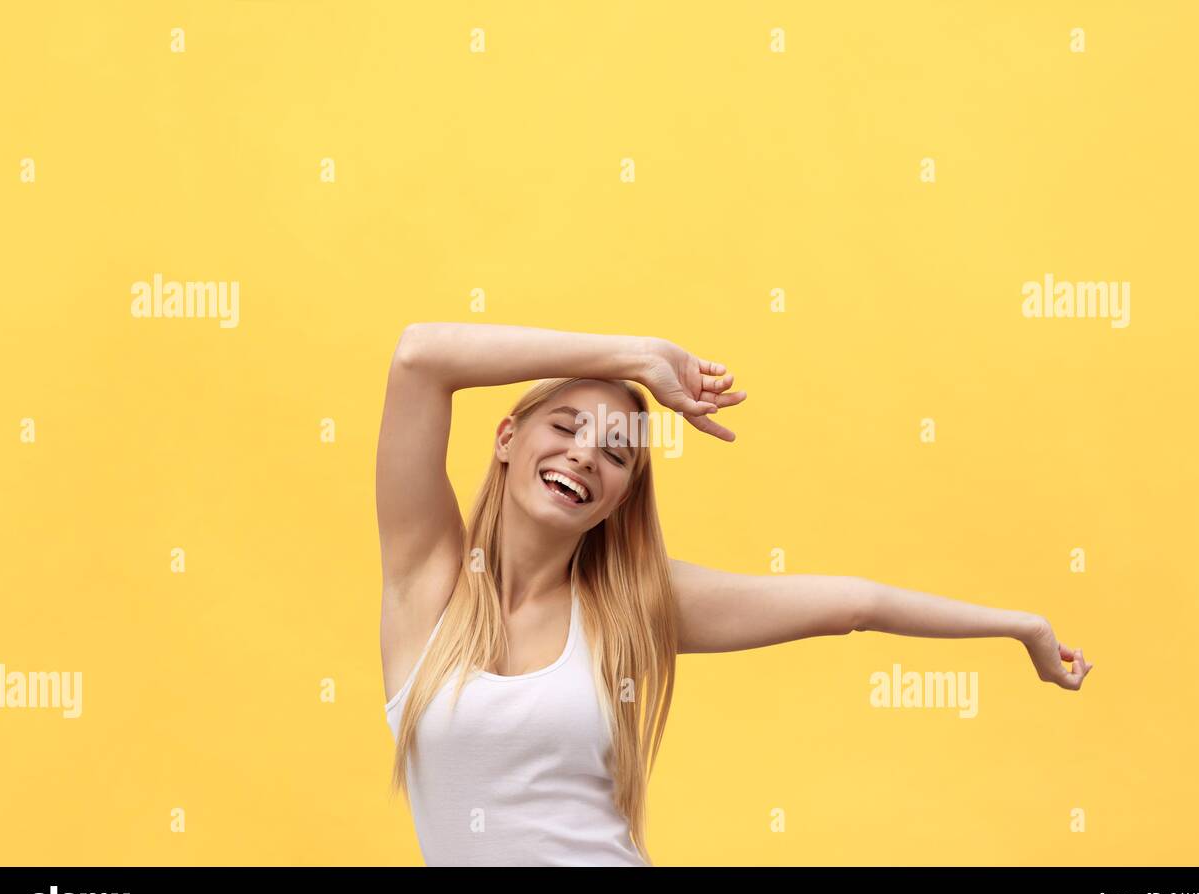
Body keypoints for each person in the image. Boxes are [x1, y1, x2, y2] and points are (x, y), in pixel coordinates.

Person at [376, 323, 1094, 866]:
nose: (585, 454)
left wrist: (1021, 626)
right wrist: (634, 356)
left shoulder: (630, 606)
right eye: (565, 427)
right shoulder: (428, 586)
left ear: (622, 498)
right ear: (507, 438)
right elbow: (419, 358)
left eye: (616, 452)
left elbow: (855, 605)